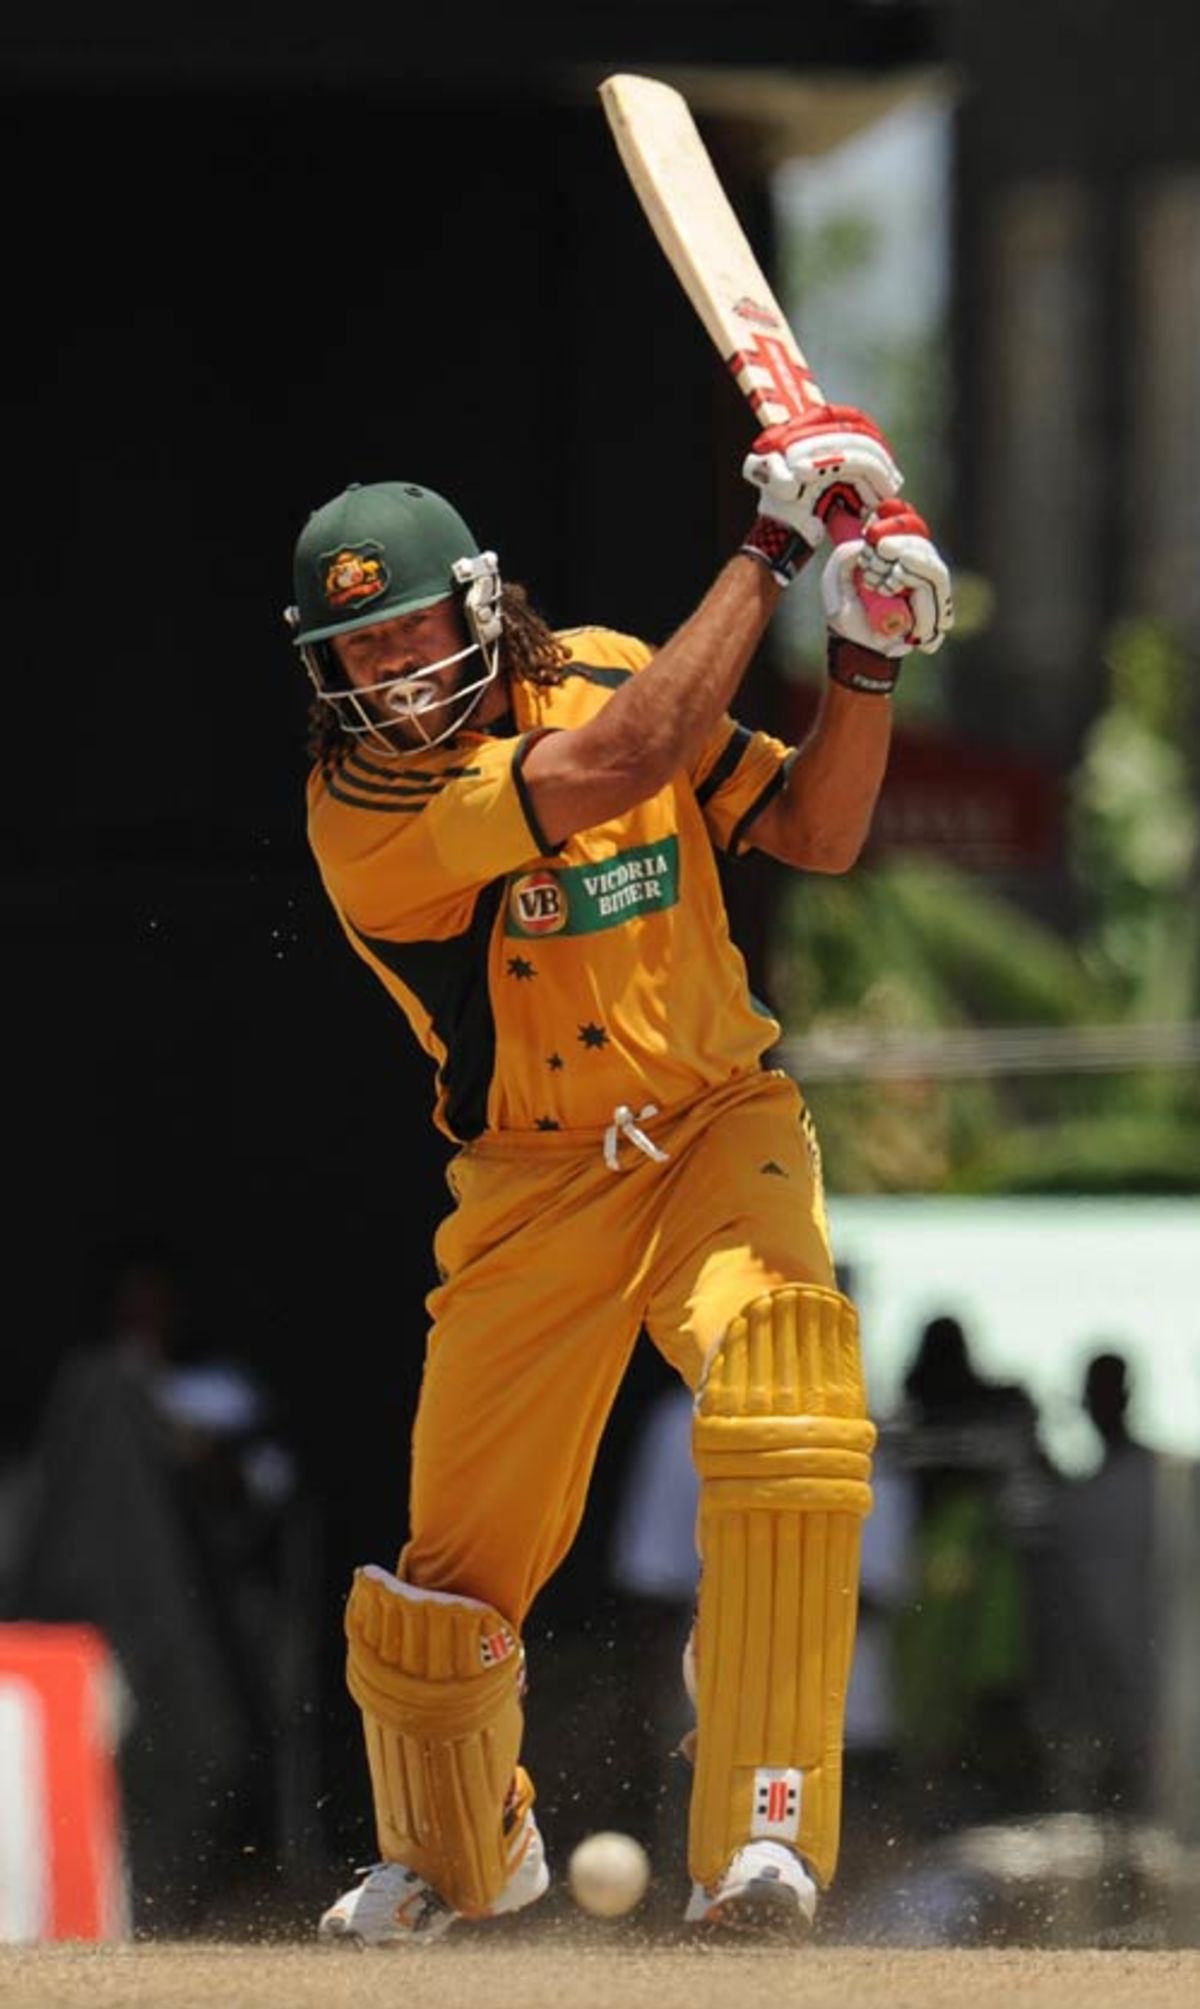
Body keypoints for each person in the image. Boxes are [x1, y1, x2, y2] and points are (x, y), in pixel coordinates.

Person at [284, 403, 953, 1943]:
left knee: (786, 1387)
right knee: (445, 1592)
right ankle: (458, 1859)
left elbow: (818, 826)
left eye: (405, 633)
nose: (388, 675)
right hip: (533, 1181)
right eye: (356, 656)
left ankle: (764, 1832)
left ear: (476, 600)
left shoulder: (599, 663)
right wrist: (775, 544)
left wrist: (865, 661)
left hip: (717, 1119)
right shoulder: (362, 812)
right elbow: (625, 757)